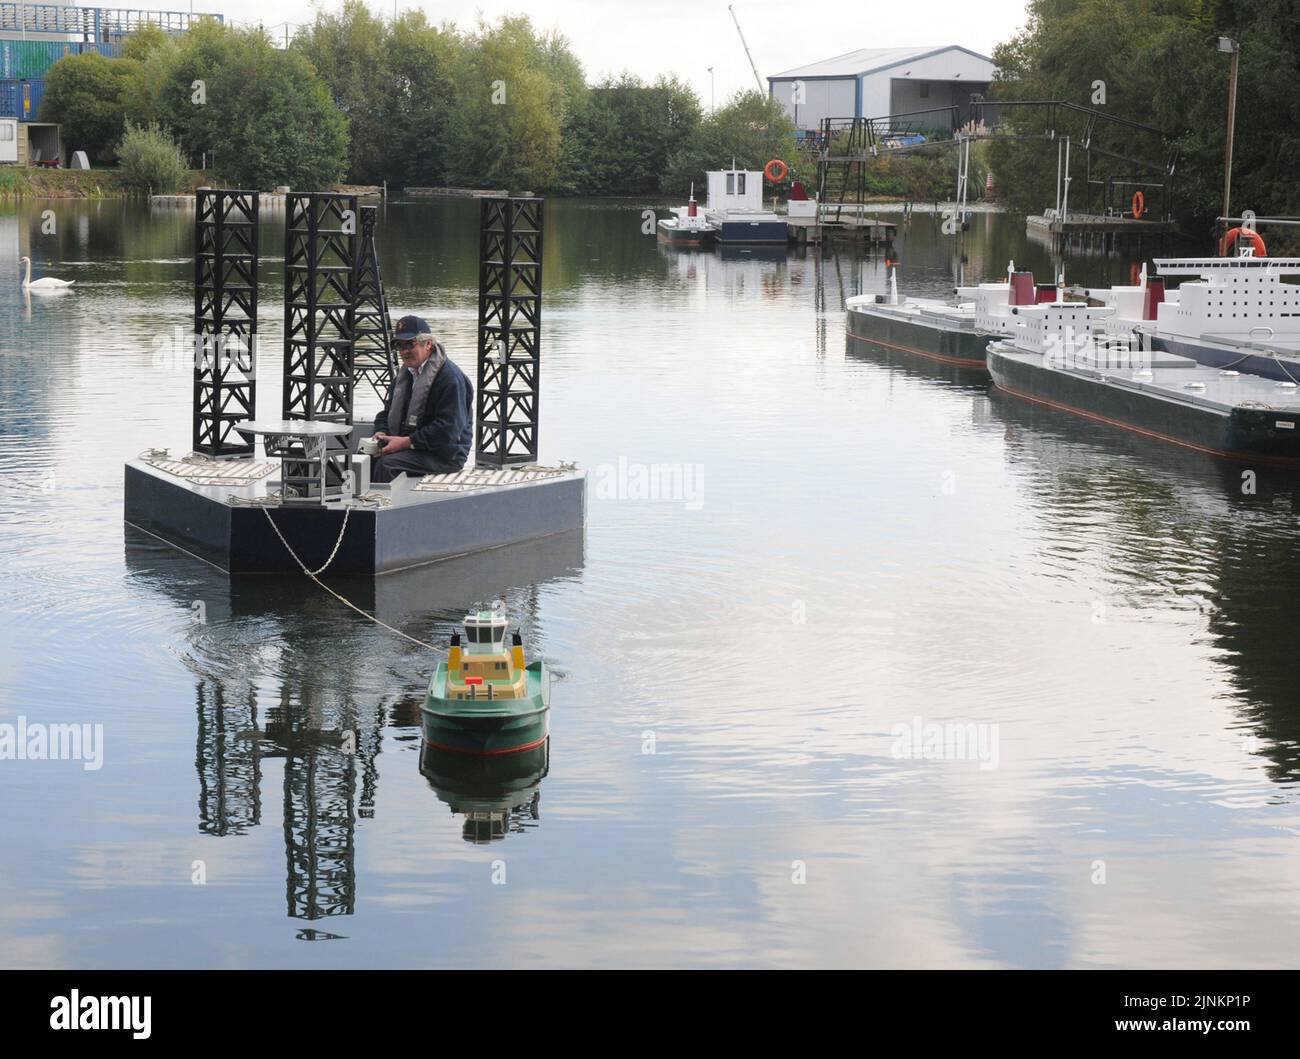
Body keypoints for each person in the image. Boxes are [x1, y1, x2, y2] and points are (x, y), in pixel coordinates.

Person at [370, 315, 473, 483]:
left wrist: (406, 442)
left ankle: (381, 506)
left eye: (410, 344)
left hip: (444, 455)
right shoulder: (406, 375)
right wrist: (380, 431)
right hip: (411, 445)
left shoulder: (450, 379)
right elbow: (386, 413)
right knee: (365, 457)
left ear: (429, 344)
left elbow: (448, 430)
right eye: (399, 346)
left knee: (387, 464)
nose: (404, 352)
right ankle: (352, 505)